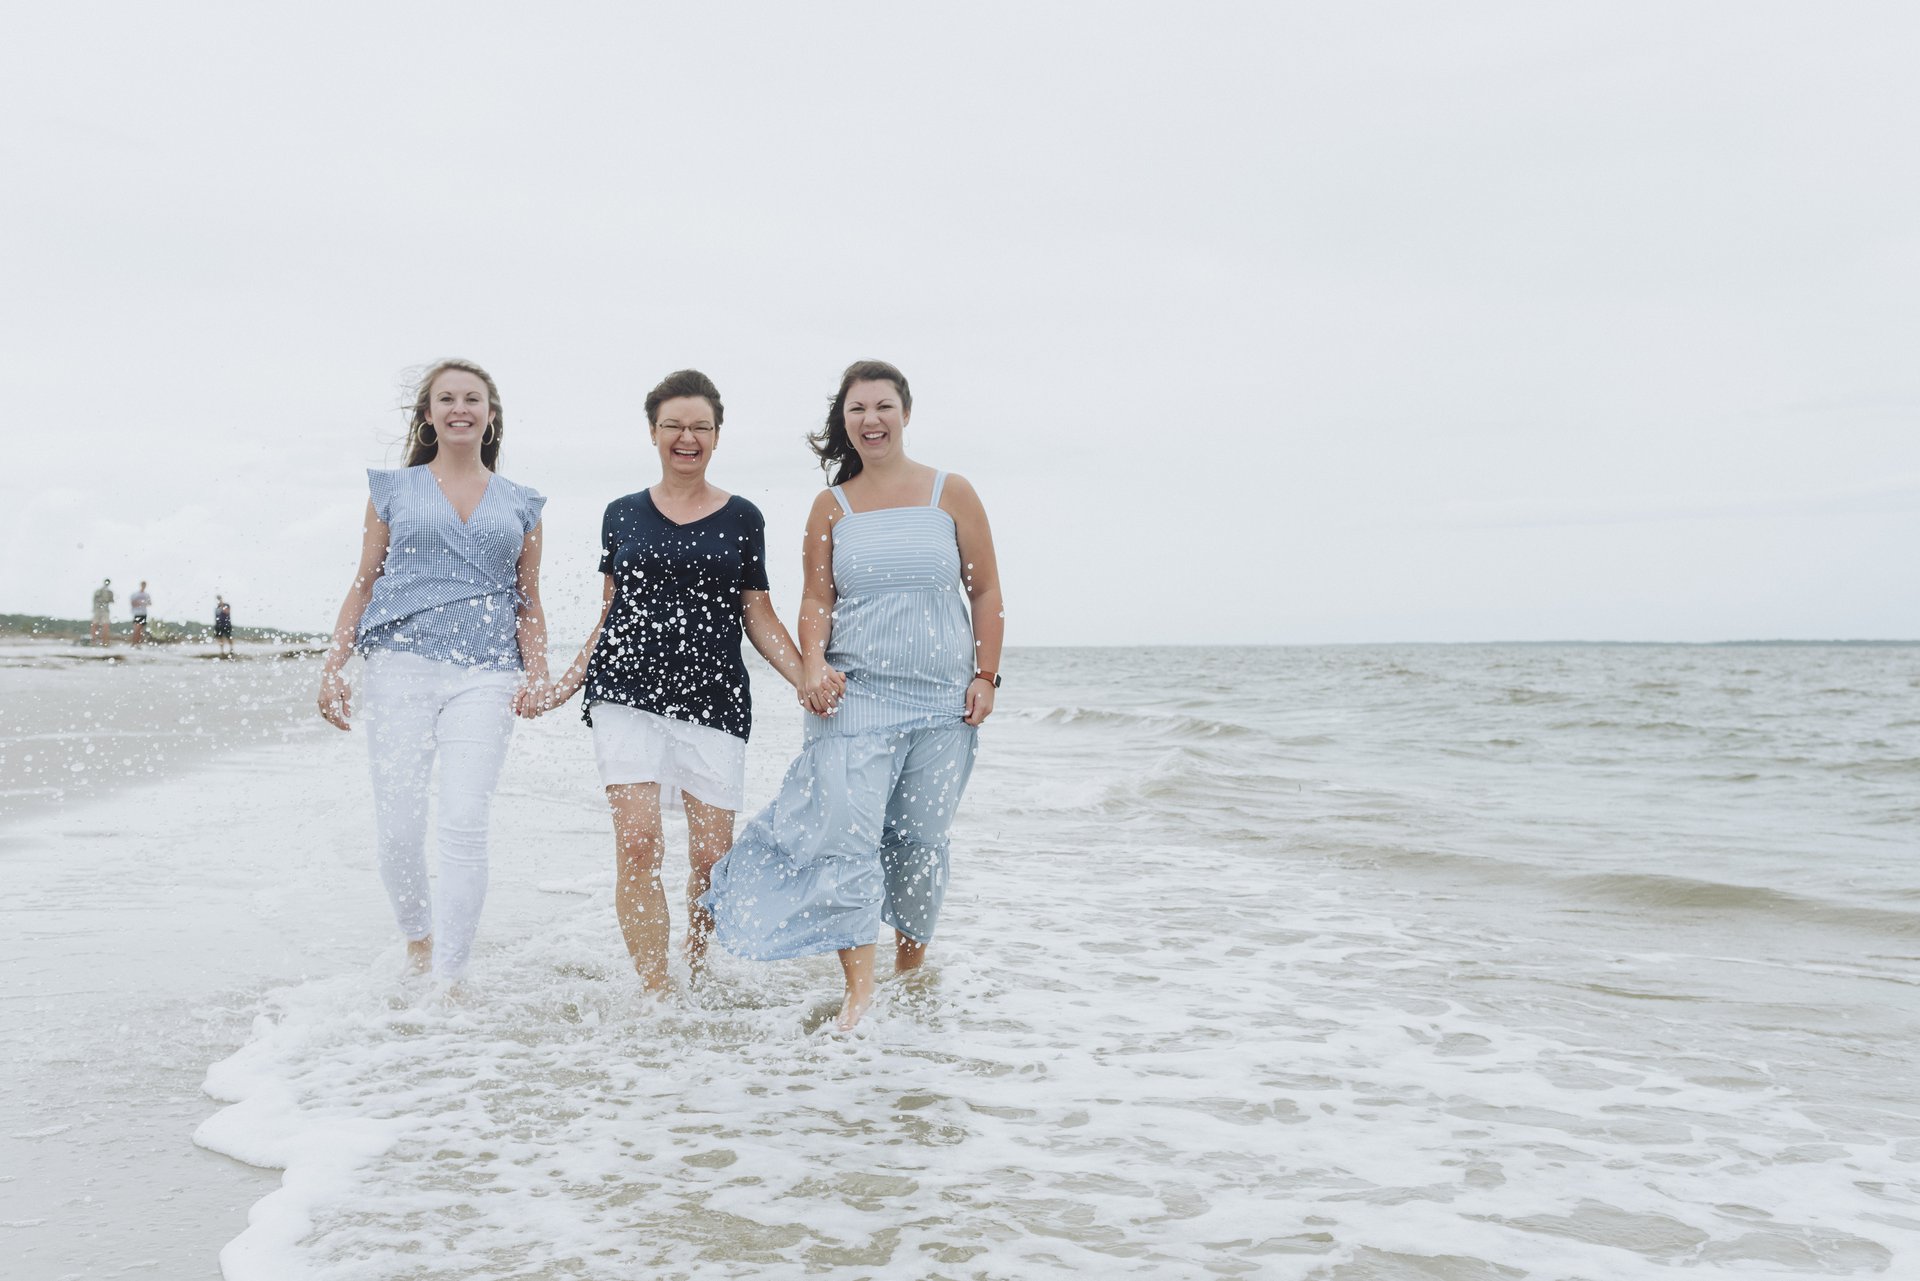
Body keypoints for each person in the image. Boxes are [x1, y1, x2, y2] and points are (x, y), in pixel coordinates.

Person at [702, 360, 1004, 1030]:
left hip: (941, 705)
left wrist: (986, 675)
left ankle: (910, 969)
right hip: (855, 700)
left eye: (883, 406)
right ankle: (859, 993)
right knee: (849, 843)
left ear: (905, 412)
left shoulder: (951, 493)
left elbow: (985, 590)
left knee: (920, 843)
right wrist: (813, 665)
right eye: (858, 409)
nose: (871, 420)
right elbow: (816, 597)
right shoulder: (830, 506)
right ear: (844, 421)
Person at [527, 370, 825, 996]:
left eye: (700, 427)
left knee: (711, 860)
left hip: (713, 697)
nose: (686, 437)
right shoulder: (621, 514)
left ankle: (696, 968)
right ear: (654, 432)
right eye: (674, 426)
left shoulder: (744, 516)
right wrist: (565, 683)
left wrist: (807, 678)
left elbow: (758, 613)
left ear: (717, 435)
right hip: (624, 692)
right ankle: (656, 991)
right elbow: (613, 609)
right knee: (638, 848)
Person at [315, 359, 549, 984]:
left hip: (490, 673)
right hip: (399, 665)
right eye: (446, 398)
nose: (459, 408)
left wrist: (538, 672)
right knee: (397, 827)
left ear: (491, 415)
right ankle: (419, 942)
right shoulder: (392, 490)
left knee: (465, 821)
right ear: (428, 415)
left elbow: (527, 598)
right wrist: (333, 666)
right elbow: (364, 581)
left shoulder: (522, 503)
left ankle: (450, 979)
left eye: (472, 398)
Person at [90, 579, 113, 646]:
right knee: (97, 625)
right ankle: (101, 642)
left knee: (101, 625)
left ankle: (101, 642)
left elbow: (95, 599)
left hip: (102, 609)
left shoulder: (108, 592)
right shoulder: (105, 591)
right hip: (100, 609)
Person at [129, 581, 152, 646]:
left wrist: (144, 603)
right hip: (137, 613)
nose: (143, 586)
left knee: (141, 629)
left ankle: (138, 644)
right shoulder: (135, 594)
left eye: (145, 585)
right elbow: (132, 603)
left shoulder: (147, 595)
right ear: (141, 585)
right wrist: (140, 602)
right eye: (143, 585)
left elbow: (150, 603)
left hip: (144, 613)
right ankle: (133, 643)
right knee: (136, 628)